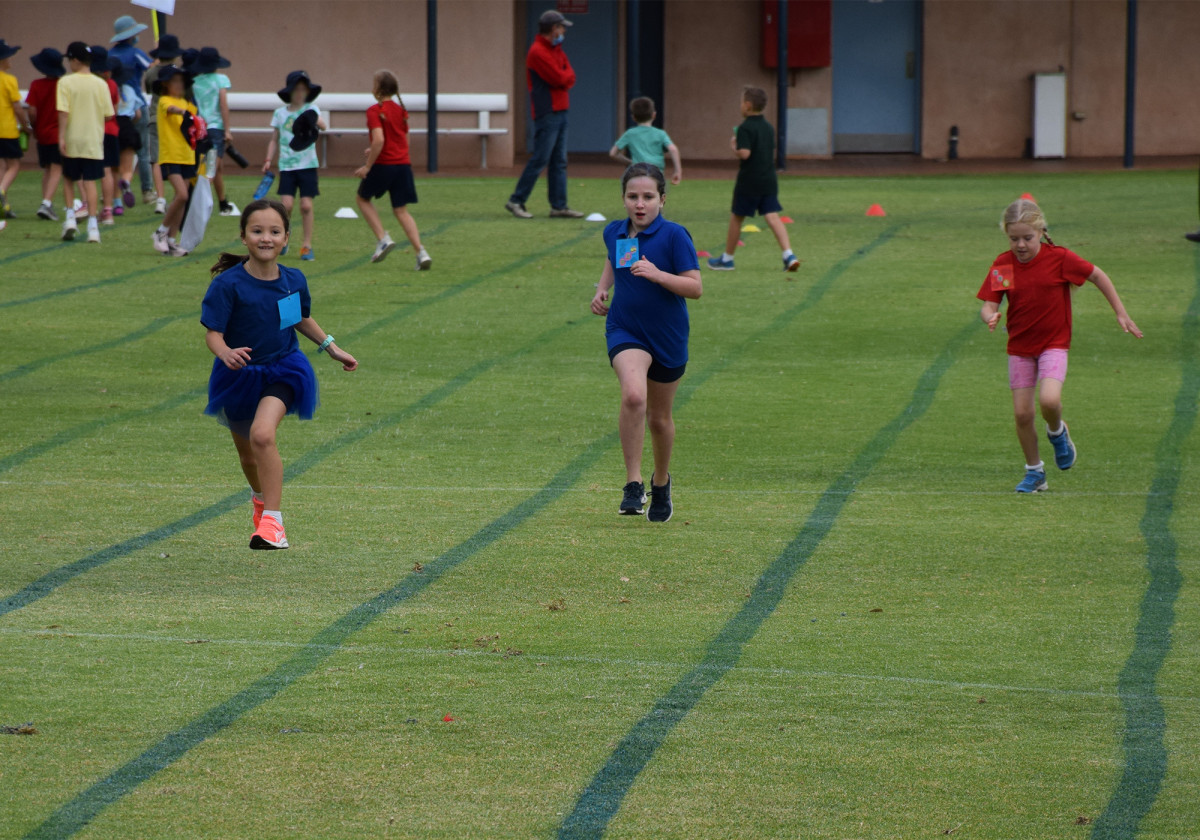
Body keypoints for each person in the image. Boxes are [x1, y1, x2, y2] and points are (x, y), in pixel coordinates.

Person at [202, 198, 358, 550]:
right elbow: (213, 332)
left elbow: (297, 318)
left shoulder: (292, 280)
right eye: (257, 231)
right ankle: (260, 499)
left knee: (262, 436)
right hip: (238, 375)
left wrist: (331, 347)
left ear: (287, 237)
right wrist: (225, 351)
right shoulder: (228, 285)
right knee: (247, 456)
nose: (266, 238)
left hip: (284, 368)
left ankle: (273, 524)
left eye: (274, 231)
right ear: (243, 236)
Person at [978, 198, 1143, 493]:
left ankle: (1057, 432)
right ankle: (1035, 472)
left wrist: (1121, 312)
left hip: (1054, 344)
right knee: (1022, 414)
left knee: (1050, 401)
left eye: (1027, 238)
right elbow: (989, 304)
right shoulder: (1003, 264)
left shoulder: (1060, 259)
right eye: (1014, 238)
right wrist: (990, 316)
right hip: (1019, 348)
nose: (1021, 245)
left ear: (1041, 232)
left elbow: (1096, 275)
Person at [590, 163, 702, 522]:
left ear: (662, 200)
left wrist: (657, 274)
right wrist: (602, 288)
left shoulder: (674, 236)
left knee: (659, 418)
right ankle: (633, 483)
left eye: (648, 197)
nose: (640, 204)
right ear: (623, 199)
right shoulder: (616, 232)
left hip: (667, 336)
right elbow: (614, 258)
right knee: (634, 395)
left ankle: (661, 480)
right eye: (633, 196)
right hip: (625, 329)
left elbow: (695, 287)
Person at [706, 86, 799, 273]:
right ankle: (789, 255)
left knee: (736, 218)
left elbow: (745, 154)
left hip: (749, 181)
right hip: (769, 180)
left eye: (741, 102)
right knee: (772, 216)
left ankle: (727, 259)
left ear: (747, 106)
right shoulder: (768, 127)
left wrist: (734, 148)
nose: (740, 106)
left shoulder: (745, 128)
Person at [505, 9, 584, 220]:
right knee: (540, 159)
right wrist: (565, 75)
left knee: (559, 161)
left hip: (560, 110)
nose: (563, 31)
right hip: (547, 112)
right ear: (553, 29)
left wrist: (565, 75)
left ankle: (558, 206)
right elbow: (560, 78)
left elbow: (570, 74)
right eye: (561, 27)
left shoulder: (555, 49)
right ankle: (516, 200)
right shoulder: (538, 52)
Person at [353, 69, 430, 269]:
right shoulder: (401, 111)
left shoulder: (374, 111)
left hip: (384, 165)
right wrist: (379, 149)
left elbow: (379, 139)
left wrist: (368, 165)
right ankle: (421, 253)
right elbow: (404, 140)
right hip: (403, 166)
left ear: (377, 89)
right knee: (401, 210)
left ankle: (383, 238)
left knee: (362, 198)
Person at [264, 70, 325, 260]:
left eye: (303, 89)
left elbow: (323, 126)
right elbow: (274, 139)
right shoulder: (280, 113)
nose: (300, 92)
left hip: (307, 165)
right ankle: (283, 238)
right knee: (286, 205)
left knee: (306, 206)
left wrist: (313, 118)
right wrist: (268, 160)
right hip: (287, 166)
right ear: (289, 91)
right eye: (296, 89)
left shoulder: (311, 109)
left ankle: (306, 246)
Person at [57, 42, 113, 243]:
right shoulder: (101, 84)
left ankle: (71, 217)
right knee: (90, 181)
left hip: (73, 137)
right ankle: (92, 226)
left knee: (69, 178)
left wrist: (61, 137)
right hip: (93, 139)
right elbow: (108, 115)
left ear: (75, 60)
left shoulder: (65, 82)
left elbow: (63, 112)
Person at [108, 14, 154, 205]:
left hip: (113, 111)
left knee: (114, 156)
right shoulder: (135, 53)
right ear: (131, 35)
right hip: (136, 105)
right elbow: (152, 69)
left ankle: (112, 195)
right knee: (142, 152)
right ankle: (147, 190)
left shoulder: (110, 55)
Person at [151, 65, 196, 256]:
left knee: (182, 200)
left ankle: (171, 240)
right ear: (165, 84)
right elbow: (170, 109)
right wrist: (183, 113)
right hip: (171, 155)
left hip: (188, 155)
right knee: (182, 195)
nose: (179, 85)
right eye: (174, 81)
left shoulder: (190, 104)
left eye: (181, 81)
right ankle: (160, 232)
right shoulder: (164, 100)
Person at [192, 46, 237, 217]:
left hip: (200, 129)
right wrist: (227, 130)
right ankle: (197, 206)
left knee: (217, 167)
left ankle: (222, 202)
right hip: (215, 128)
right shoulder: (221, 79)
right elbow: (223, 105)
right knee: (210, 169)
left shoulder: (195, 82)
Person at [144, 33, 183, 214]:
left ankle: (160, 198)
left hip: (155, 118)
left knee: (156, 160)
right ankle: (179, 194)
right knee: (177, 157)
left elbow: (148, 88)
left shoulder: (152, 72)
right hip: (175, 121)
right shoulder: (180, 73)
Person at [24, 47, 65, 221]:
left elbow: (32, 111)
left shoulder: (36, 85)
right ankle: (46, 203)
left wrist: (34, 126)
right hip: (58, 133)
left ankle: (46, 201)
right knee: (57, 169)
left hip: (42, 133)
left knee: (47, 169)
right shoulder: (63, 85)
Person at [609, 96, 682, 185]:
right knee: (655, 195)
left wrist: (630, 162)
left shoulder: (630, 133)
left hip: (638, 171)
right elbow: (673, 149)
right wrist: (678, 171)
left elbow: (613, 153)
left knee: (636, 195)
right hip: (656, 172)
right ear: (654, 115)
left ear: (633, 117)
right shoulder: (660, 133)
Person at [0, 38, 31, 219]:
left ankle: (4, 204)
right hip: (7, 129)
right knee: (14, 165)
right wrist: (26, 125)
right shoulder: (9, 80)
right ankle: (2, 191)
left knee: (1, 166)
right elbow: (17, 107)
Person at [90, 47, 121, 224]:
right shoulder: (112, 85)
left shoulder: (92, 84)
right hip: (110, 130)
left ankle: (88, 206)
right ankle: (108, 209)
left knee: (89, 172)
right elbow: (114, 110)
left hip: (94, 130)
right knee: (109, 170)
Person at [113, 58, 145, 211]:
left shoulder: (107, 88)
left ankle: (117, 204)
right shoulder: (130, 90)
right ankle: (126, 181)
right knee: (127, 168)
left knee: (113, 169)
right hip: (127, 126)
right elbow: (138, 114)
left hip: (112, 126)